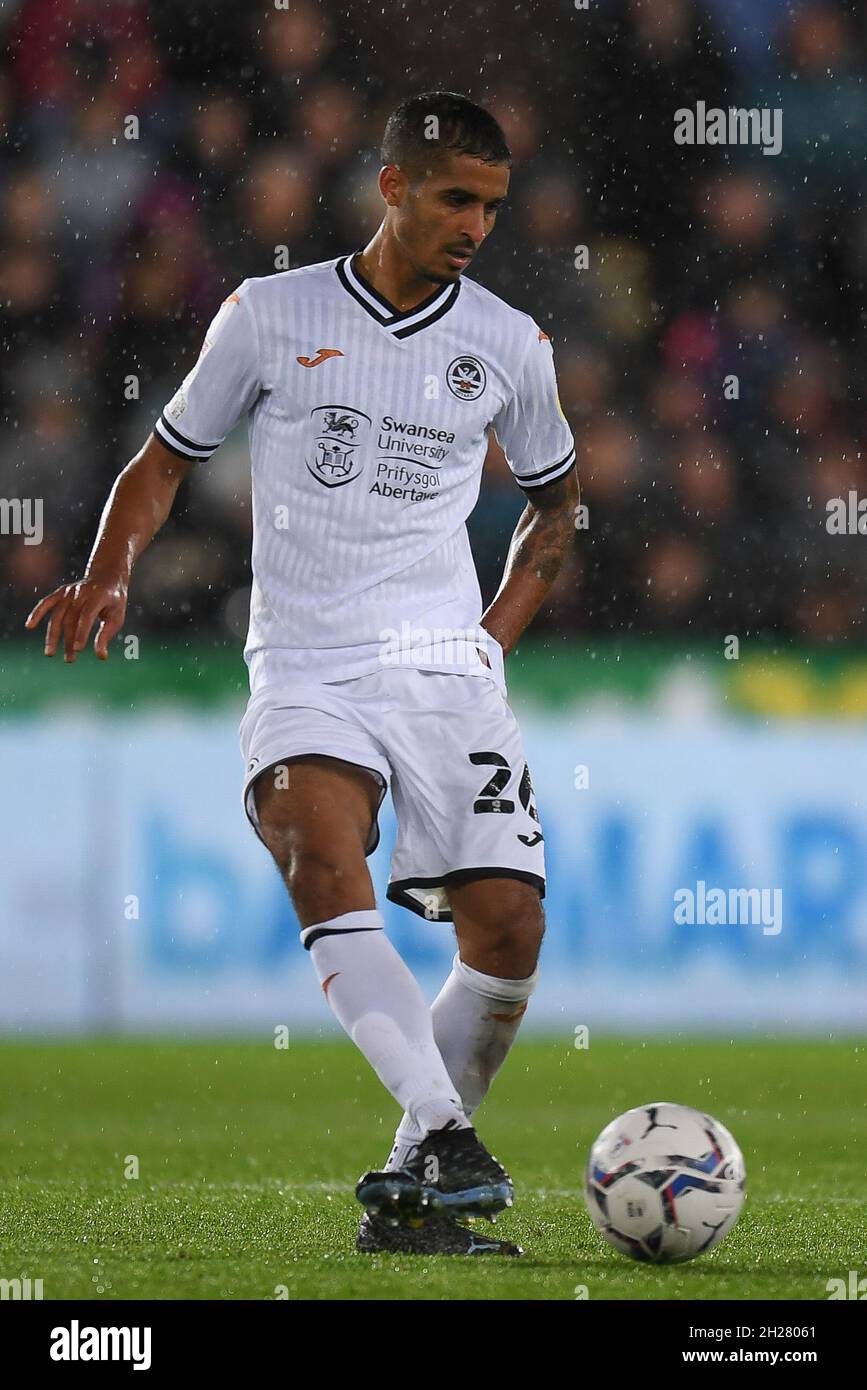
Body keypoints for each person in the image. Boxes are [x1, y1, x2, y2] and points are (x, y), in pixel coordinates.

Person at [26, 91, 579, 1257]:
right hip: (306, 655)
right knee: (318, 848)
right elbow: (161, 463)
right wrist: (108, 571)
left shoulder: (511, 346)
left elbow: (559, 508)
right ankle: (441, 1126)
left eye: (491, 204)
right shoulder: (268, 315)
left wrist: (492, 632)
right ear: (390, 186)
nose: (476, 224)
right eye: (453, 198)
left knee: (510, 929)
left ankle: (413, 1192)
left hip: (444, 667)